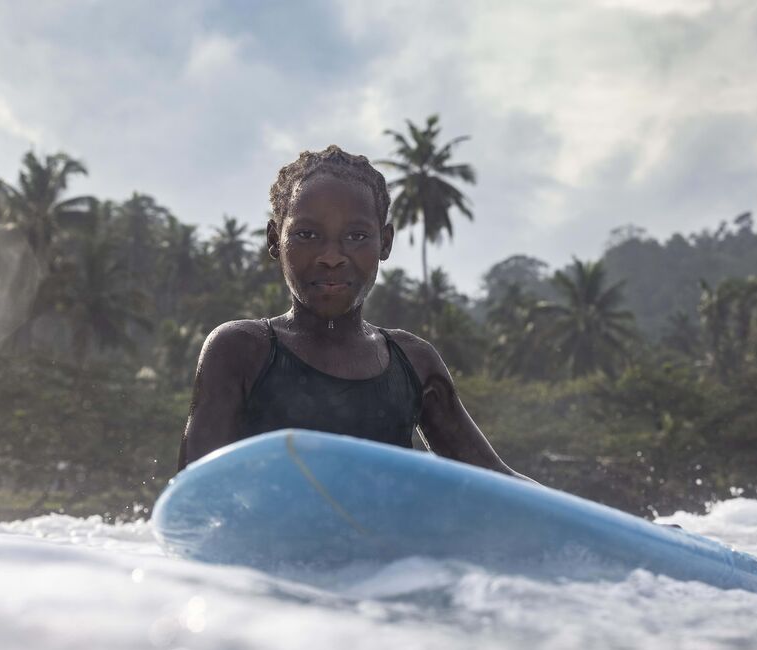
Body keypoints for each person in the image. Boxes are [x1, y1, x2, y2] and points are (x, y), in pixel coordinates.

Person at [178, 145, 535, 483]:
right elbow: (193, 494)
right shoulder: (241, 350)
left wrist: (569, 512)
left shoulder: (414, 362)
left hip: (388, 533)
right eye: (307, 234)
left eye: (357, 236)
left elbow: (495, 480)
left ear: (385, 242)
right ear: (274, 239)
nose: (332, 257)